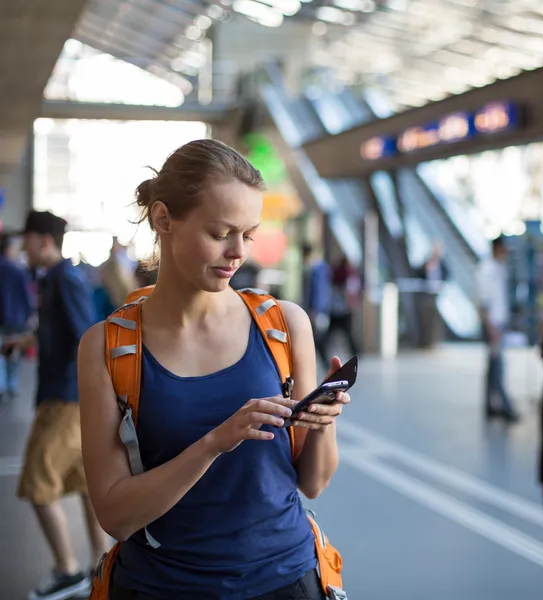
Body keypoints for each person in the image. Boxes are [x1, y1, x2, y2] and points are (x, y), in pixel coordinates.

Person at [77, 139, 350, 600]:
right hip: (161, 587)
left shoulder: (283, 325)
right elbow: (116, 516)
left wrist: (322, 422)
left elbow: (314, 483)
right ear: (164, 219)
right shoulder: (108, 346)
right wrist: (213, 444)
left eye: (249, 233)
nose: (238, 252)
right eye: (221, 232)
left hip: (287, 579)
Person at [3, 210, 109, 600]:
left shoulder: (65, 280)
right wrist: (26, 340)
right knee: (86, 486)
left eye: (27, 239)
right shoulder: (57, 279)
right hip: (70, 398)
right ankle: (102, 567)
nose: (22, 247)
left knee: (36, 483)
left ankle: (68, 570)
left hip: (65, 400)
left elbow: (86, 337)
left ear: (42, 240)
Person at [475, 236, 519, 422]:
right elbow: (483, 300)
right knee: (498, 364)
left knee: (494, 365)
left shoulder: (500, 269)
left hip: (499, 323)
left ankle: (490, 405)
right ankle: (504, 405)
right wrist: (490, 326)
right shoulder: (486, 270)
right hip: (492, 324)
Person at [0, 233, 33, 402]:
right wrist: (29, 313)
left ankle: (2, 383)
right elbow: (26, 296)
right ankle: (11, 384)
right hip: (16, 318)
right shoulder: (17, 270)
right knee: (13, 351)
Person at [301, 244, 331, 369]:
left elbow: (319, 291)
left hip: (317, 310)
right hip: (315, 309)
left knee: (317, 339)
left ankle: (324, 363)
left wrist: (316, 309)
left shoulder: (317, 269)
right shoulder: (317, 268)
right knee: (316, 339)